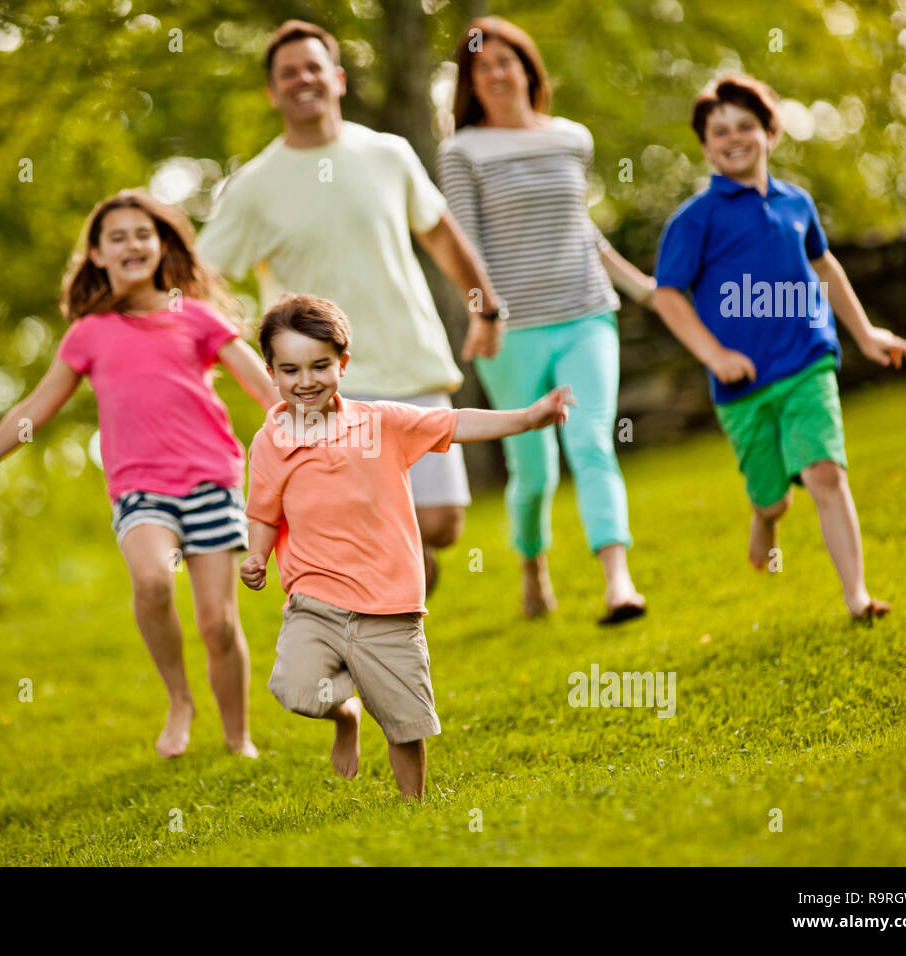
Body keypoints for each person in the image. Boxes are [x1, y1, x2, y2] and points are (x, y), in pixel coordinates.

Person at [0, 189, 281, 757]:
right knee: (151, 581)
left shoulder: (195, 317)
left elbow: (264, 387)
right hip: (140, 488)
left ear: (161, 244)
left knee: (218, 624)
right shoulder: (89, 334)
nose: (132, 245)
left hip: (212, 481)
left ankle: (237, 737)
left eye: (143, 234)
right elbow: (30, 411)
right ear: (96, 254)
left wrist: (316, 430)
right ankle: (179, 699)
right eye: (116, 237)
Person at [197, 19, 506, 595]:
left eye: (313, 67)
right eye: (288, 74)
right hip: (325, 383)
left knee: (441, 523)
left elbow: (440, 233)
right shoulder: (255, 186)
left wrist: (485, 308)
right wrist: (238, 349)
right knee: (343, 527)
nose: (302, 80)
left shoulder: (387, 154)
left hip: (408, 360)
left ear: (337, 78)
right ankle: (363, 631)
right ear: (273, 92)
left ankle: (395, 576)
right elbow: (200, 279)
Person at [239, 294, 575, 800]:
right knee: (297, 690)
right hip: (315, 600)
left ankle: (412, 807)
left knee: (405, 722)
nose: (305, 381)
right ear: (271, 373)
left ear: (343, 364)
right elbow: (263, 511)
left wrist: (526, 418)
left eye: (320, 366)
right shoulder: (269, 443)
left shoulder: (380, 423)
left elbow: (455, 423)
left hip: (389, 603)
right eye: (290, 370)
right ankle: (344, 711)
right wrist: (256, 556)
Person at [653, 76, 906, 621]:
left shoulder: (797, 203)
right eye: (718, 130)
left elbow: (825, 267)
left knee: (825, 472)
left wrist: (866, 335)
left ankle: (858, 597)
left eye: (745, 125)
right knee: (773, 495)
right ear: (704, 146)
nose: (733, 137)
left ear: (770, 132)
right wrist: (715, 356)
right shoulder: (695, 220)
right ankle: (767, 517)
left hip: (806, 361)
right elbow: (668, 297)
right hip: (741, 386)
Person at [437, 16, 652, 623]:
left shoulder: (571, 138)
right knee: (533, 470)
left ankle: (618, 582)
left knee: (590, 441)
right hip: (514, 332)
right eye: (482, 66)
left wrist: (637, 285)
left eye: (507, 60)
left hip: (585, 313)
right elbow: (464, 245)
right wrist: (483, 314)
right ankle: (532, 564)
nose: (497, 73)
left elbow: (578, 228)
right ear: (471, 84)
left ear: (529, 68)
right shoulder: (462, 150)